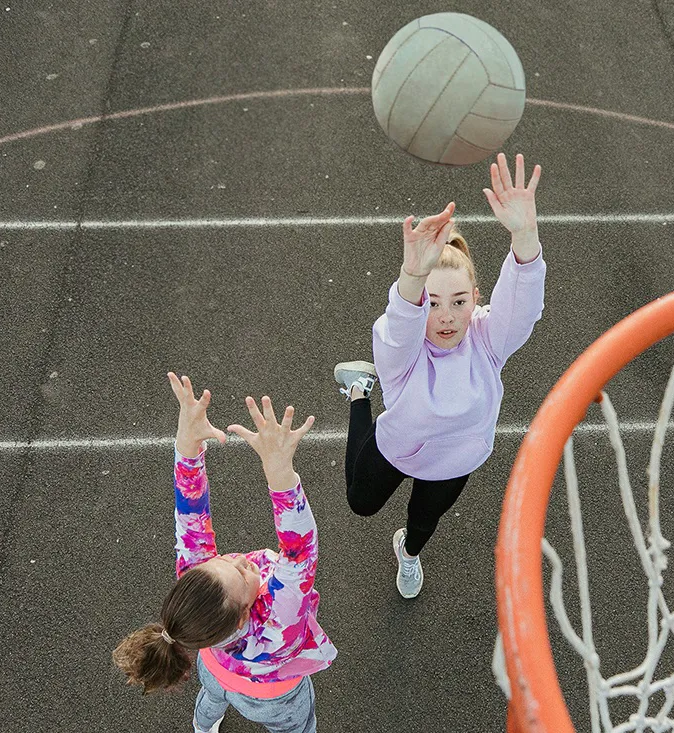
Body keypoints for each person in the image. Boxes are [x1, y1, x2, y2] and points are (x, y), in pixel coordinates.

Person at [334, 152, 546, 599]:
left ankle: (408, 555)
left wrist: (524, 235)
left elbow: (521, 308)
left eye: (458, 302)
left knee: (423, 522)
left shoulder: (488, 340)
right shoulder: (403, 355)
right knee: (360, 502)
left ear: (476, 298)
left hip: (453, 461)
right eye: (431, 303)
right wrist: (412, 275)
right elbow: (399, 326)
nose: (446, 316)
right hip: (397, 447)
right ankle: (358, 392)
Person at [113, 373, 334, 733]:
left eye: (224, 561)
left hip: (215, 667)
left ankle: (204, 727)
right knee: (297, 726)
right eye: (244, 575)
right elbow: (299, 551)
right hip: (272, 697)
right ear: (244, 616)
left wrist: (188, 441)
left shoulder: (199, 585)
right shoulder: (277, 624)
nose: (239, 560)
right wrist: (278, 469)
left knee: (212, 697)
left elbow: (190, 511)